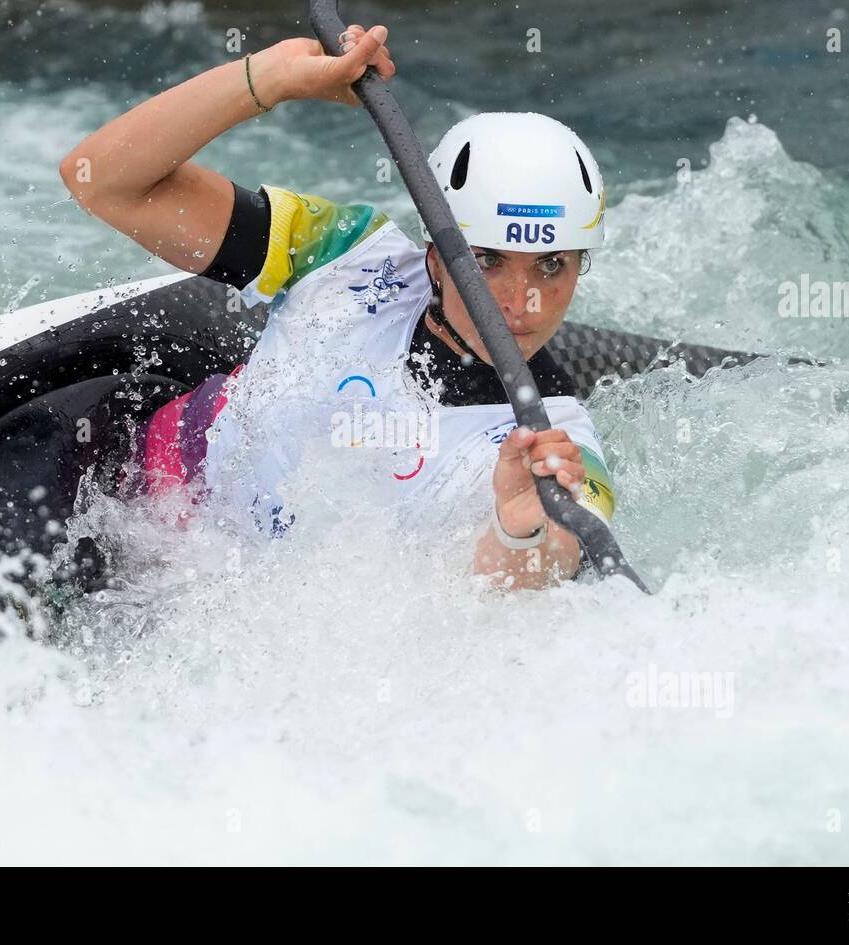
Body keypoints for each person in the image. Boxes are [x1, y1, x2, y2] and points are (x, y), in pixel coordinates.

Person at [59, 22, 615, 589]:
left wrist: (520, 534)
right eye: (486, 261)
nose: (520, 301)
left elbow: (536, 576)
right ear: (436, 255)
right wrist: (269, 79)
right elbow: (103, 182)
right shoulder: (344, 253)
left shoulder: (560, 437)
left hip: (204, 606)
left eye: (552, 265)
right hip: (106, 492)